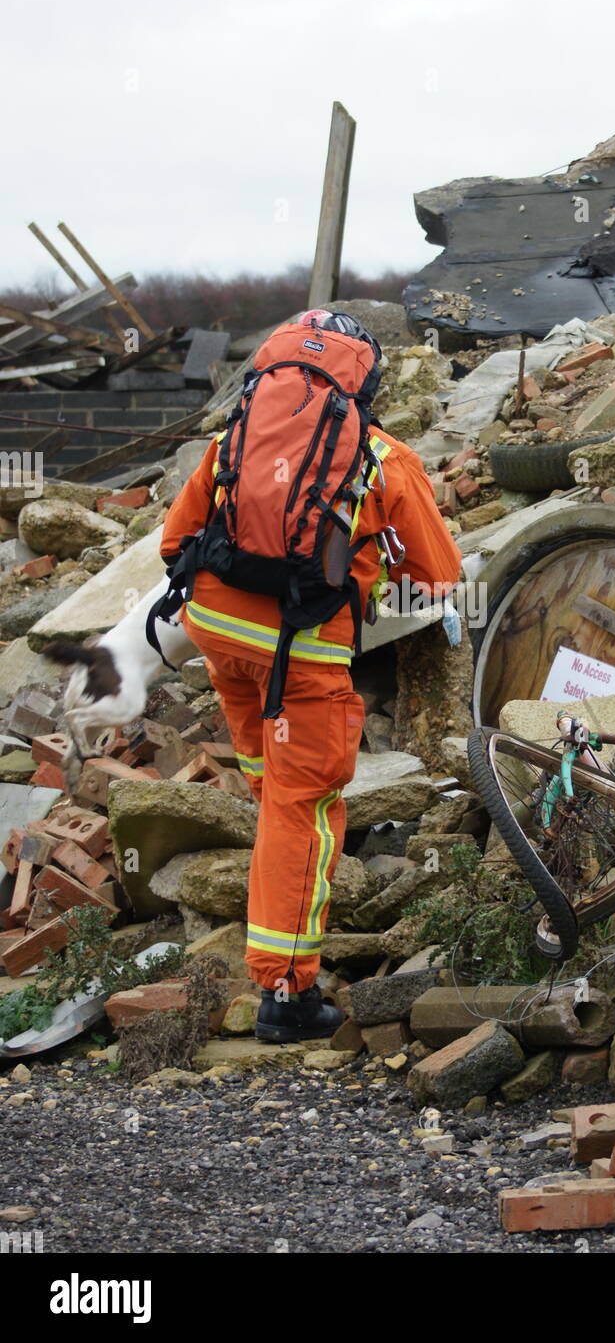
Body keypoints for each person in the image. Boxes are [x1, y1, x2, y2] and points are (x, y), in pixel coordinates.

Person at [160, 311, 461, 1041]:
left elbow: (174, 540)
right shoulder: (382, 457)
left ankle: (277, 895)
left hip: (217, 634)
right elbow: (439, 572)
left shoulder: (236, 434)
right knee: (307, 805)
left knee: (273, 787)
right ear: (367, 383)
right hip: (297, 651)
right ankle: (288, 995)